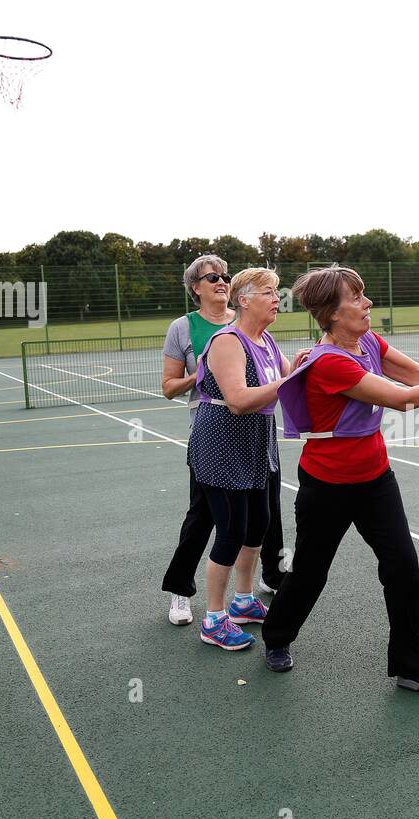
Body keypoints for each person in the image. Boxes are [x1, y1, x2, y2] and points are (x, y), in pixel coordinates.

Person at [261, 265, 419, 696]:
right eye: (356, 298)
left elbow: (418, 374)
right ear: (332, 313)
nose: (368, 303)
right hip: (327, 486)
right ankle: (276, 635)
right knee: (310, 572)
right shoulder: (329, 363)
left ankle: (410, 664)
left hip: (375, 478)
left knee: (402, 567)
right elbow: (406, 399)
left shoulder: (368, 342)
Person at [160, 255, 288, 627]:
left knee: (262, 519)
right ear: (195, 288)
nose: (221, 281)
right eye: (212, 277)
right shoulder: (188, 329)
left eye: (225, 276)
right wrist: (200, 372)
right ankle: (184, 594)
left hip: (257, 435)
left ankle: (253, 591)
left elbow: (282, 373)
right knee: (208, 521)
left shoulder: (256, 331)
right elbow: (172, 387)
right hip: (217, 437)